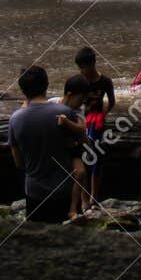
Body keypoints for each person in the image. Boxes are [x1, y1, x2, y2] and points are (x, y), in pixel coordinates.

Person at [8, 66, 82, 222]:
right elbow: (78, 145)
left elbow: (18, 162)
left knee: (37, 240)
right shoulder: (66, 113)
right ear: (47, 84)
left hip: (35, 192)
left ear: (23, 90)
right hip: (64, 191)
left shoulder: (15, 119)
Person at [75, 45, 115, 207]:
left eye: (83, 67)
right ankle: (84, 200)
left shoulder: (105, 81)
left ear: (92, 64)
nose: (81, 70)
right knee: (83, 160)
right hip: (82, 122)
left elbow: (111, 102)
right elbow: (72, 102)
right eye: (80, 68)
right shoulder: (79, 81)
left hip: (97, 123)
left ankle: (94, 197)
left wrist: (103, 114)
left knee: (97, 160)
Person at [58, 73, 92, 221]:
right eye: (80, 98)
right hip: (57, 146)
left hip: (74, 147)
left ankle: (73, 209)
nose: (82, 102)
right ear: (69, 95)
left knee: (80, 172)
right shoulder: (53, 103)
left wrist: (67, 123)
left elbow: (82, 128)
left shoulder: (78, 111)